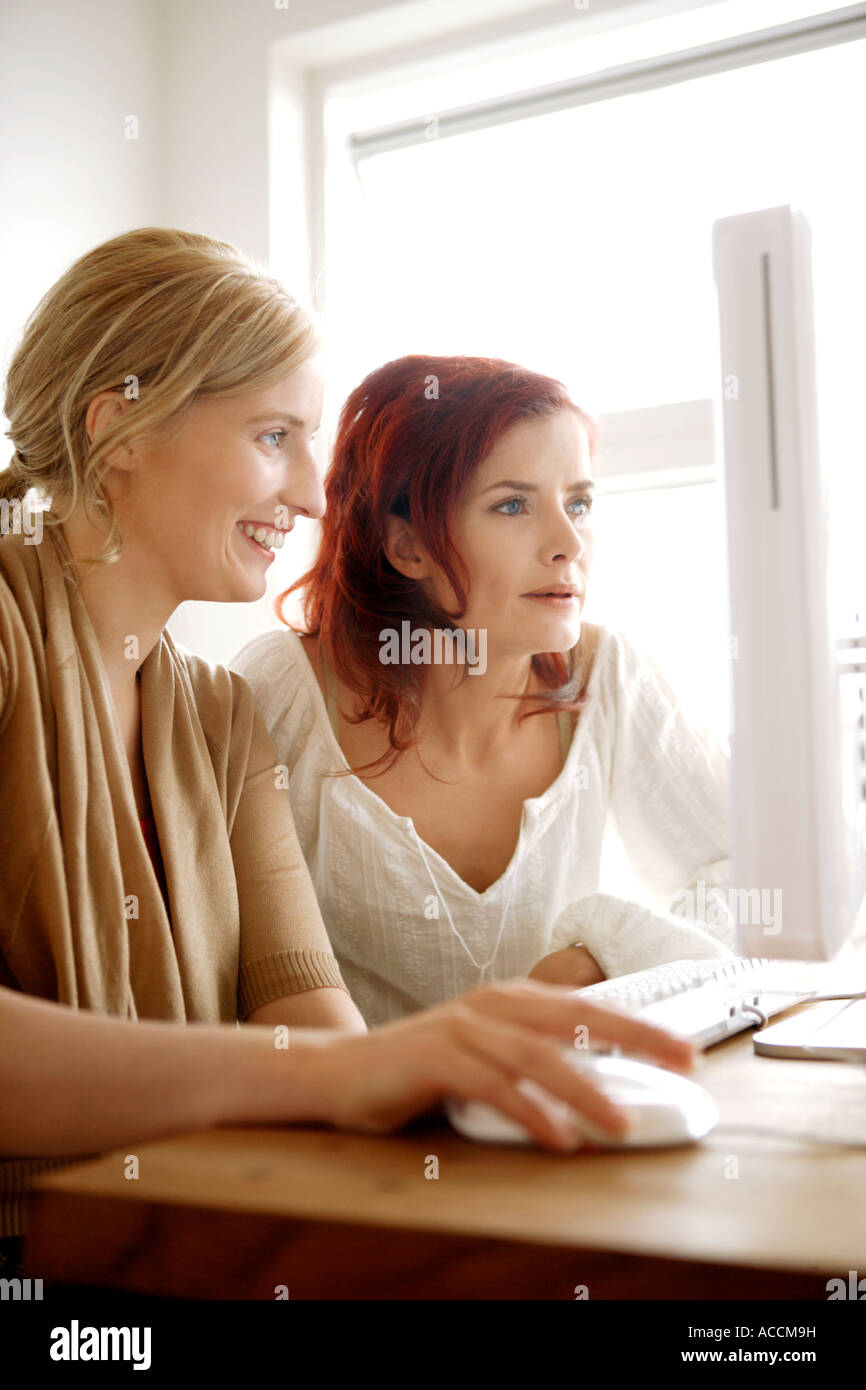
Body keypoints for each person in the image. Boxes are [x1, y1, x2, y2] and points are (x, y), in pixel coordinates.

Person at [0, 228, 695, 1274]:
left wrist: (442, 1065)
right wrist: (339, 1073)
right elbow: (319, 1069)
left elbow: (311, 1022)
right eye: (274, 436)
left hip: (165, 1246)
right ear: (121, 428)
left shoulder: (217, 719)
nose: (310, 496)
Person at [230, 355, 737, 1029]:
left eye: (579, 503)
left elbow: (747, 878)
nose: (567, 544)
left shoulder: (607, 674)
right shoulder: (281, 692)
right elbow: (219, 970)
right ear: (408, 546)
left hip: (551, 1119)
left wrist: (599, 954)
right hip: (352, 1125)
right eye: (512, 505)